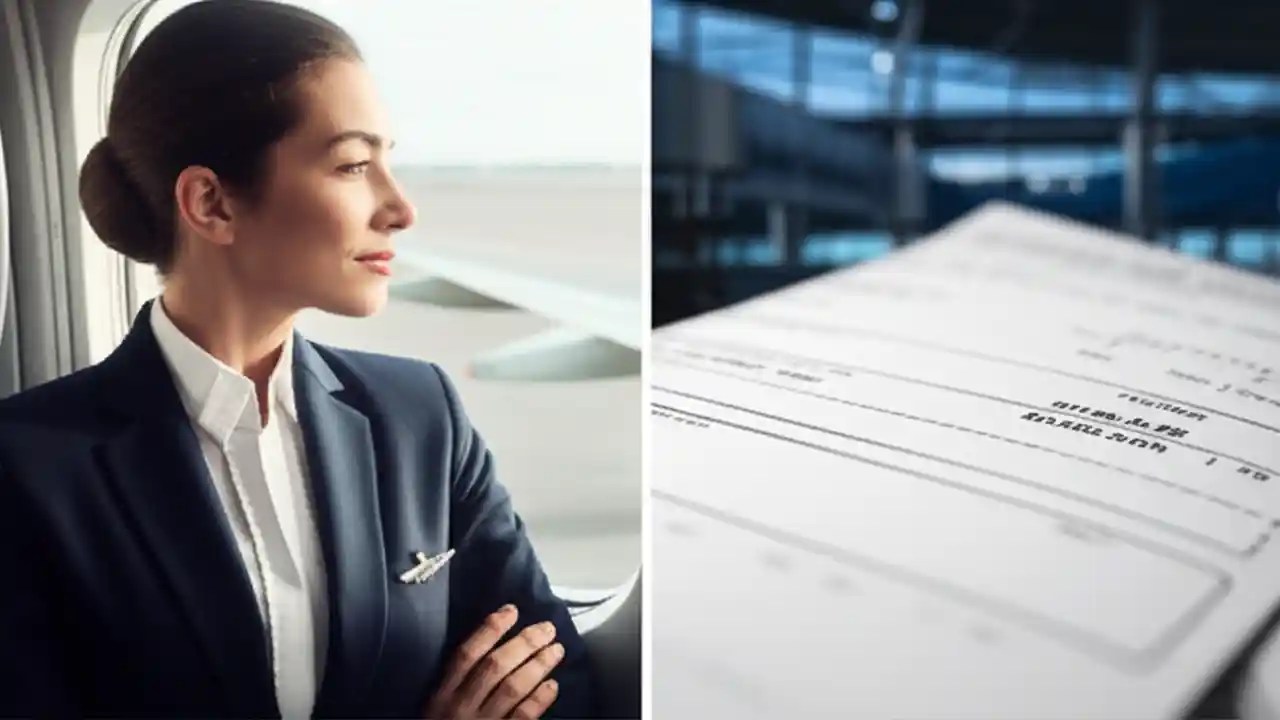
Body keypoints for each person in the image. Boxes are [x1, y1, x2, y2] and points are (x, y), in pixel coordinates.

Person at [0, 1, 593, 717]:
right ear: (211, 202)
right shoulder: (28, 468)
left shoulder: (419, 416)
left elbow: (559, 686)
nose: (401, 209)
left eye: (388, 162)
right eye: (351, 165)